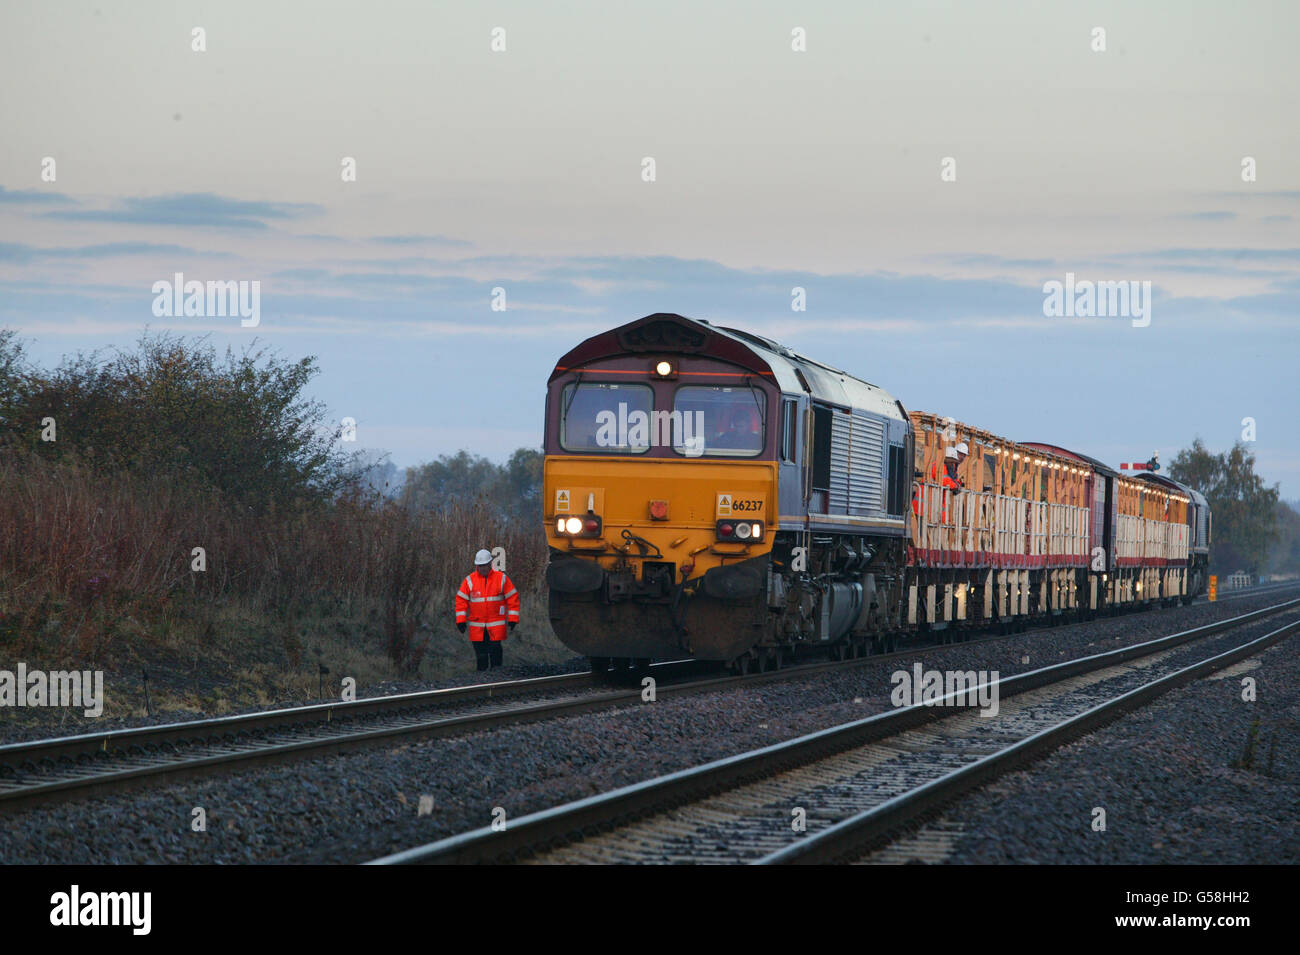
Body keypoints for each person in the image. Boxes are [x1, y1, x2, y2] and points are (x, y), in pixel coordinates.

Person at [454, 549, 520, 671]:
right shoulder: (469, 581)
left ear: (490, 564)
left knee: (495, 652)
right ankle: (482, 682)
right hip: (477, 627)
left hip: (496, 626)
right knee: (481, 656)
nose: (482, 568)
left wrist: (513, 618)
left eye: (484, 565)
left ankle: (496, 678)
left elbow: (512, 598)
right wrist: (460, 620)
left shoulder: (501, 579)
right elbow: (461, 600)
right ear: (476, 566)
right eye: (480, 566)